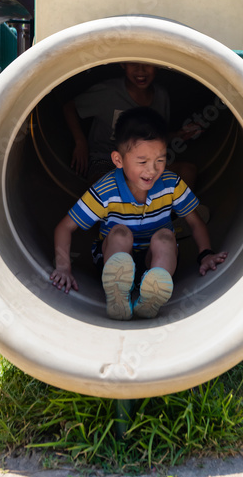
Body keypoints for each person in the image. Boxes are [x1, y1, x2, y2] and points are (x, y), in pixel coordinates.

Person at [50, 107, 227, 320]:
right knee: (119, 233)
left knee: (165, 237)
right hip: (114, 258)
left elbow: (195, 222)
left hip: (154, 260)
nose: (152, 170)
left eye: (160, 160)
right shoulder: (105, 190)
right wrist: (63, 267)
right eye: (142, 162)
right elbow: (65, 227)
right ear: (118, 160)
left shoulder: (170, 184)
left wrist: (205, 253)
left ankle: (152, 294)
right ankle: (116, 292)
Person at [63, 62, 171, 183]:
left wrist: (178, 135)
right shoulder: (108, 92)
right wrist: (80, 142)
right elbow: (70, 107)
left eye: (147, 64)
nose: (141, 70)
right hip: (106, 158)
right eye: (133, 63)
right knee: (108, 186)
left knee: (187, 171)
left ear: (158, 65)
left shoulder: (161, 96)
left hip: (146, 160)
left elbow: (156, 137)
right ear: (123, 64)